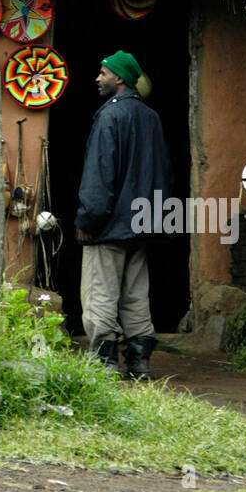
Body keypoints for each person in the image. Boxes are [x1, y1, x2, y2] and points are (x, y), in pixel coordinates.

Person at [75, 51, 173, 381]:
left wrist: (88, 220)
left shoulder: (109, 117)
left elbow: (99, 176)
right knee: (135, 293)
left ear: (120, 79)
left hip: (109, 225)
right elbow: (163, 174)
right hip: (144, 223)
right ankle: (140, 364)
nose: (98, 78)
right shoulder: (151, 117)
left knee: (101, 293)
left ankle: (105, 365)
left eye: (103, 73)